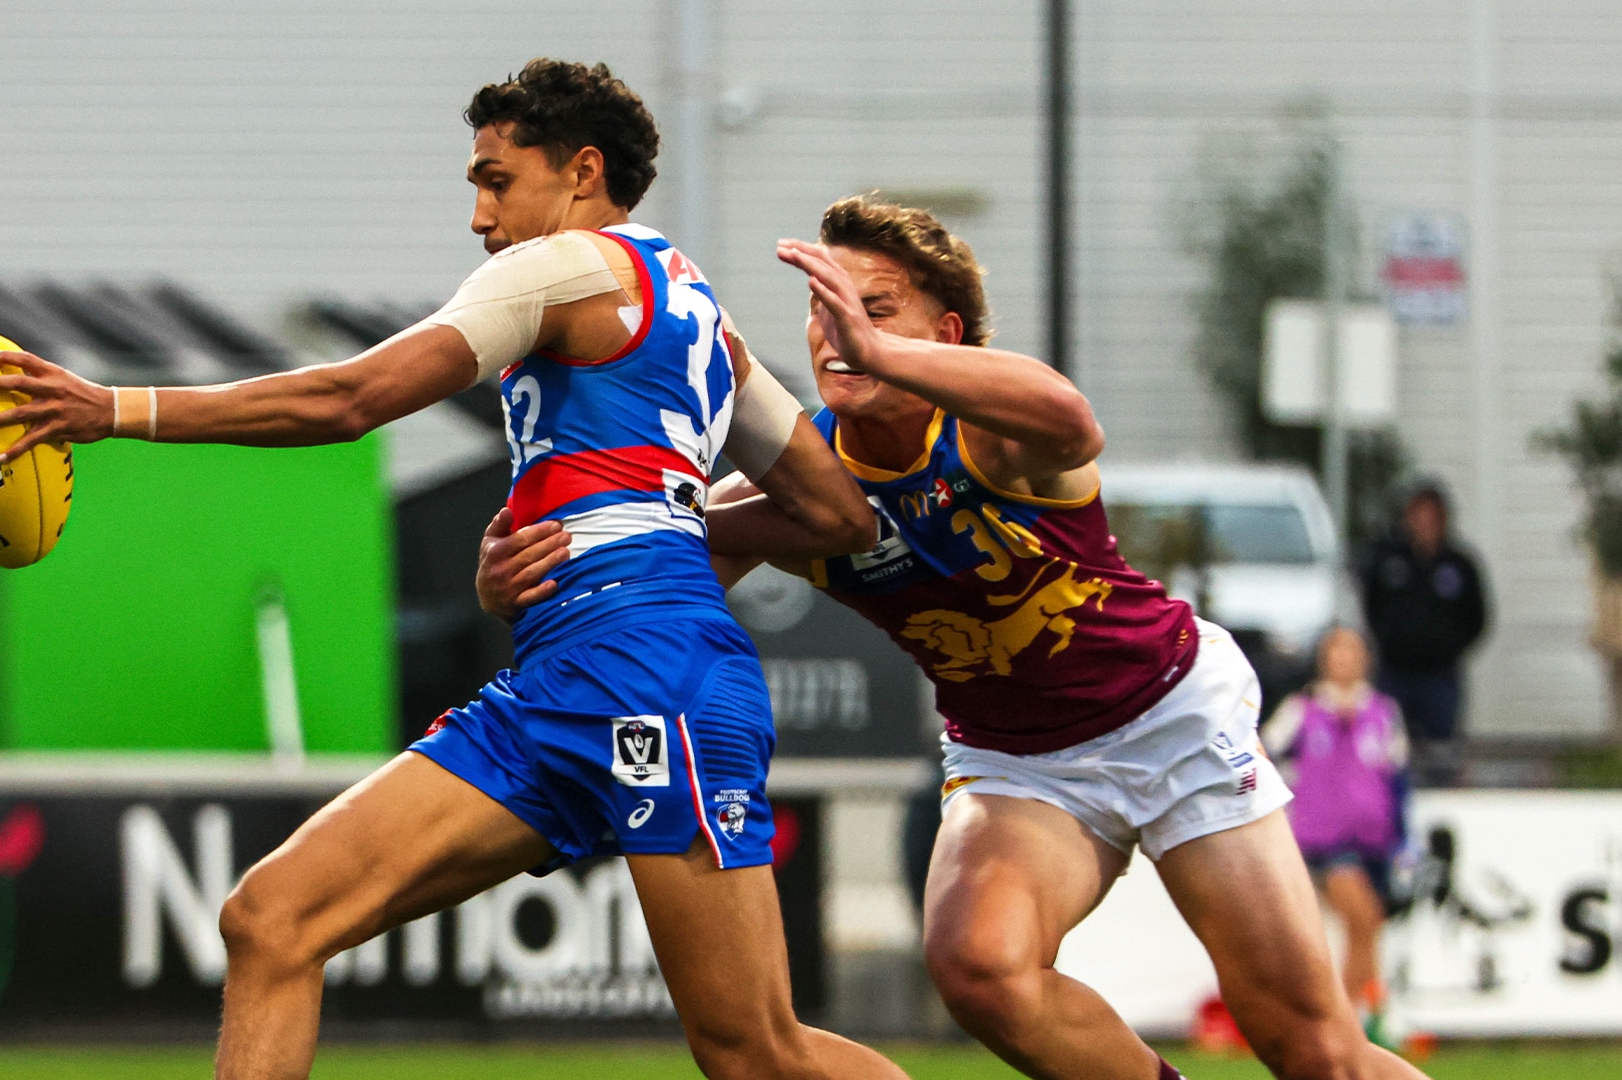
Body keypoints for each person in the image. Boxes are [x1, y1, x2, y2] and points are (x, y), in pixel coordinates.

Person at [0, 60, 908, 1080]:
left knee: (752, 1052)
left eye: (496, 179)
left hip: (650, 675)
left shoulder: (561, 269)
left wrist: (115, 409)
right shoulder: (700, 317)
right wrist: (639, 528)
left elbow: (350, 399)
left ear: (581, 170)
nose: (478, 214)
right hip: (565, 676)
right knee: (272, 920)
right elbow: (837, 511)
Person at [479, 195, 1433, 1080]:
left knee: (1309, 1046)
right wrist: (513, 584)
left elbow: (1074, 419)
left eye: (874, 306)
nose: (835, 331)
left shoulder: (990, 431)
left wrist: (884, 355)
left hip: (1167, 714)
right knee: (978, 967)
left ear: (943, 335)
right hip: (1019, 758)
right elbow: (646, 581)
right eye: (824, 309)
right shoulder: (802, 482)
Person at [1263, 626, 1410, 1042]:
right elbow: (1263, 755)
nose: (1345, 659)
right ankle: (1343, 1023)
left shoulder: (1382, 711)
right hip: (1323, 840)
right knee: (1362, 918)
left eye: (1353, 650)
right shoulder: (1302, 710)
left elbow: (1397, 779)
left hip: (1373, 840)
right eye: (1337, 651)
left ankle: (1367, 1017)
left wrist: (1403, 839)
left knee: (1369, 925)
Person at [1360, 480, 1489, 786]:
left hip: (1439, 676)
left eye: (1432, 516)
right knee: (1388, 746)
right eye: (1419, 515)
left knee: (1441, 749)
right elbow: (1371, 605)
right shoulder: (1389, 559)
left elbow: (1478, 617)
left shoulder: (1459, 564)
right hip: (1394, 671)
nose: (1425, 523)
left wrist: (1451, 647)